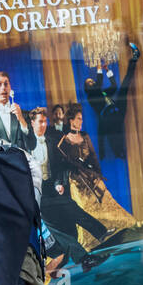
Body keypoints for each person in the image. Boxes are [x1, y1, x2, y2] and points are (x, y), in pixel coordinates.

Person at [32, 107, 106, 263]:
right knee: (57, 231)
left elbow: (59, 166)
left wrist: (59, 183)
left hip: (53, 188)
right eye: (40, 122)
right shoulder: (25, 144)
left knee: (73, 210)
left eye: (45, 121)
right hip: (38, 196)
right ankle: (84, 258)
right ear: (32, 123)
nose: (43, 125)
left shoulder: (52, 141)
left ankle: (102, 233)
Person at [54, 108, 136, 248]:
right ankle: (93, 241)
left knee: (107, 203)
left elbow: (92, 156)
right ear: (71, 120)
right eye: (78, 118)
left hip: (91, 177)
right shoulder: (64, 141)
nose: (81, 121)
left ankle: (116, 232)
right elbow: (62, 164)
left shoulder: (85, 136)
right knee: (86, 209)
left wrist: (97, 174)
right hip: (77, 181)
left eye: (81, 119)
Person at [83, 38, 142, 160]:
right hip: (108, 117)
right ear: (87, 88)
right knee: (113, 139)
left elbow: (114, 86)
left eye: (91, 80)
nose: (91, 81)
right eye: (89, 82)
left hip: (117, 109)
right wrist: (99, 68)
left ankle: (135, 58)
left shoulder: (102, 92)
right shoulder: (91, 96)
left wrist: (107, 70)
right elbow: (98, 84)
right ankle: (118, 154)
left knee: (125, 84)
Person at [0, 71, 36, 151]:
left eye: (6, 84)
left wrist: (21, 120)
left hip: (22, 162)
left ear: (10, 88)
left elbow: (32, 145)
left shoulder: (24, 115)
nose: (3, 87)